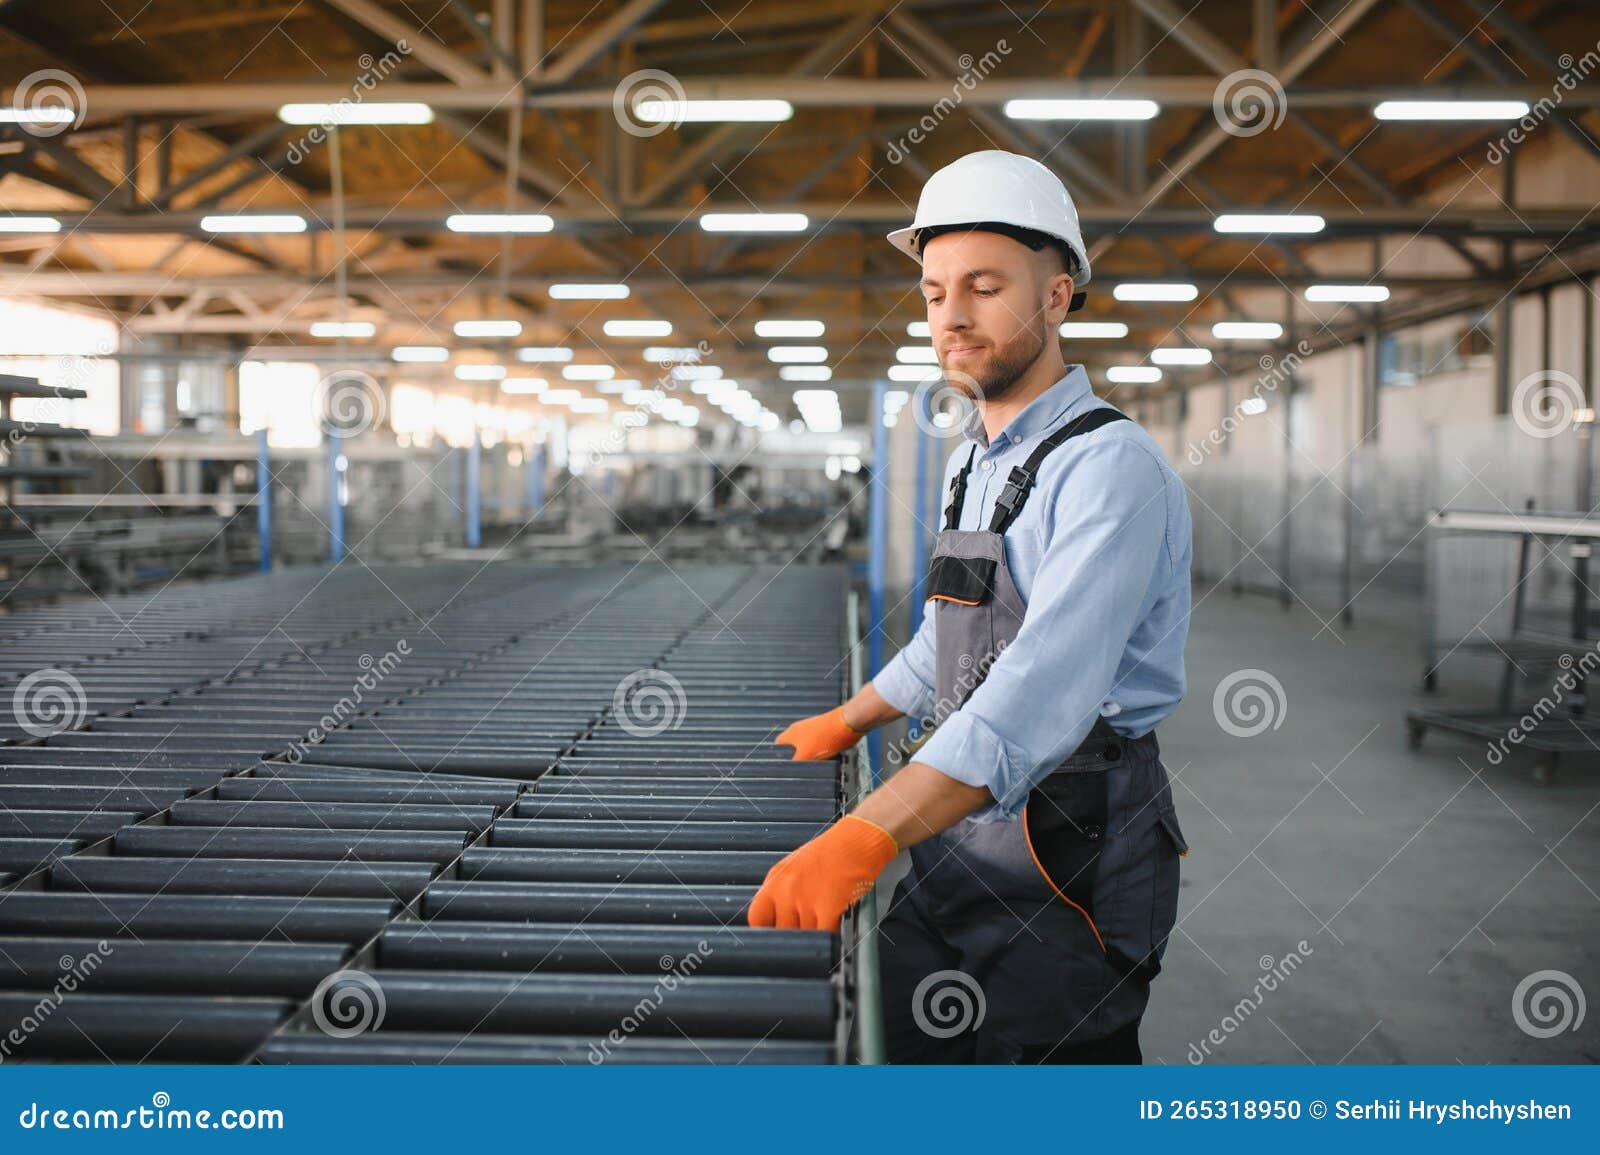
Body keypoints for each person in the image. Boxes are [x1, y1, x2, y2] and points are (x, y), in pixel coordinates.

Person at [749, 149, 1194, 1065]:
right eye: (933, 292)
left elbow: (1036, 693)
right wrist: (850, 716)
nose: (951, 314)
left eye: (985, 287)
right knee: (906, 1041)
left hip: (1073, 843)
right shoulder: (971, 463)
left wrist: (869, 830)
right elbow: (946, 641)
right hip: (959, 832)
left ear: (1058, 297)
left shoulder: (1109, 469)